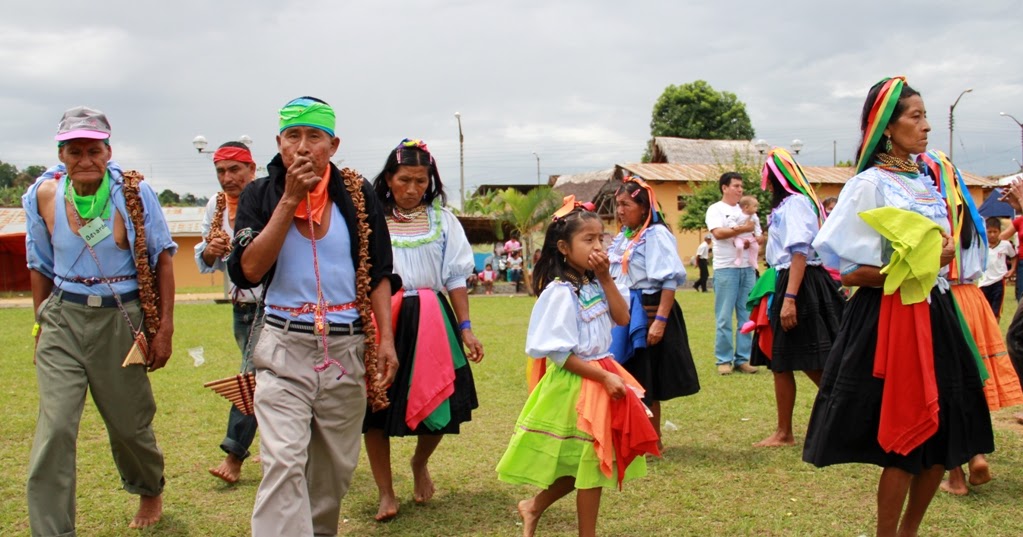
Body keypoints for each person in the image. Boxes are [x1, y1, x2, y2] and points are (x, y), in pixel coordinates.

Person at [803, 77, 993, 537]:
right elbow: (847, 270)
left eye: (926, 116)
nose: (926, 126)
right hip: (891, 318)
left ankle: (909, 532)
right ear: (887, 128)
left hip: (937, 313)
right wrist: (922, 265)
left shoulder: (926, 178)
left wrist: (937, 264)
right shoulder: (870, 185)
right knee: (906, 438)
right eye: (916, 117)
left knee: (943, 435)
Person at [226, 96, 400, 537]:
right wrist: (288, 200)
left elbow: (381, 272)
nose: (303, 147)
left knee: (331, 476)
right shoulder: (260, 195)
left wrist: (385, 340)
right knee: (283, 462)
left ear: (333, 145)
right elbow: (248, 270)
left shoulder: (358, 196)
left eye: (314, 137)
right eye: (293, 136)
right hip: (284, 347)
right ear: (279, 143)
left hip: (346, 347)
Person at [23, 106, 176, 533]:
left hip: (121, 319)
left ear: (108, 151)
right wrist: (40, 323)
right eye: (75, 151)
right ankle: (52, 529)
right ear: (62, 153)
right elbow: (40, 264)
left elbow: (162, 257)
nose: (85, 159)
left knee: (129, 425)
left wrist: (163, 328)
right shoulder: (44, 193)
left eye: (94, 149)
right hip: (62, 318)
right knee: (54, 430)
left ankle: (149, 486)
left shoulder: (131, 192)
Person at [496, 199, 659, 537]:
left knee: (591, 461)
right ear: (563, 247)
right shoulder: (559, 292)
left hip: (604, 374)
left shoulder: (599, 283)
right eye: (588, 239)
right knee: (589, 461)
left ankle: (535, 506)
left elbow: (623, 318)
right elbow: (558, 354)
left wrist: (605, 277)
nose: (597, 246)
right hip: (577, 381)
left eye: (601, 238)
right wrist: (603, 376)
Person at [364, 139, 483, 521]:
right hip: (383, 317)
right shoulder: (369, 219)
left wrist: (465, 328)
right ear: (388, 178)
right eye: (404, 180)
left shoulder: (443, 220)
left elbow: (456, 278)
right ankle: (385, 491)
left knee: (442, 403)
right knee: (375, 408)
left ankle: (419, 462)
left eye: (421, 180)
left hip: (433, 319)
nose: (413, 188)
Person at [918, 150, 1023, 495]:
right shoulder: (973, 219)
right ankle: (975, 453)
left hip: (943, 300)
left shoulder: (930, 215)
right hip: (973, 301)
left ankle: (957, 475)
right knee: (968, 384)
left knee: (944, 386)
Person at [749, 148, 844, 448]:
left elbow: (799, 252)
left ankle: (847, 418)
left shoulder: (796, 204)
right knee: (782, 361)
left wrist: (790, 298)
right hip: (786, 281)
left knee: (815, 360)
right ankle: (784, 431)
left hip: (800, 284)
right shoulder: (788, 206)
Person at [609, 176, 700, 448]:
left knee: (645, 375)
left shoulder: (656, 234)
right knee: (628, 371)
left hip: (649, 308)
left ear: (644, 207)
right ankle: (634, 437)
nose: (620, 210)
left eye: (626, 204)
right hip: (627, 308)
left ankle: (651, 439)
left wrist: (660, 320)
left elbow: (669, 281)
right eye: (618, 205)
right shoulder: (624, 237)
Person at [195, 141, 265, 484]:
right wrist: (211, 249)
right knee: (268, 380)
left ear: (252, 170)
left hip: (271, 304)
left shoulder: (268, 197)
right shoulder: (216, 205)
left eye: (235, 169)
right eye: (221, 171)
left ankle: (234, 455)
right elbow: (205, 260)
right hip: (240, 308)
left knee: (250, 376)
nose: (227, 178)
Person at [706, 172, 761, 375]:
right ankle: (724, 360)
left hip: (747, 268)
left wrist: (755, 238)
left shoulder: (746, 210)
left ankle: (743, 359)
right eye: (736, 186)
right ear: (724, 187)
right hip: (726, 268)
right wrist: (742, 229)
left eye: (741, 186)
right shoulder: (716, 209)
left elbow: (757, 234)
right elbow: (718, 233)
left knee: (746, 316)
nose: (740, 190)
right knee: (724, 316)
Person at [978, 217, 1016, 320]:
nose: (992, 235)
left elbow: (1013, 256)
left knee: (996, 311)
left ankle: (995, 334)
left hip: (998, 281)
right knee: (984, 310)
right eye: (989, 232)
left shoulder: (1005, 245)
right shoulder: (981, 245)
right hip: (983, 282)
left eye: (995, 232)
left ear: (1000, 231)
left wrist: (1012, 270)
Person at [731, 195, 762, 267]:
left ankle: (753, 259)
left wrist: (758, 235)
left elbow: (757, 226)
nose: (756, 208)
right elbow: (730, 220)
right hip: (739, 237)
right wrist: (734, 225)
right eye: (754, 206)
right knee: (739, 246)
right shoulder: (738, 214)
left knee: (756, 247)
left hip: (750, 236)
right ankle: (739, 258)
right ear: (746, 207)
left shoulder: (754, 216)